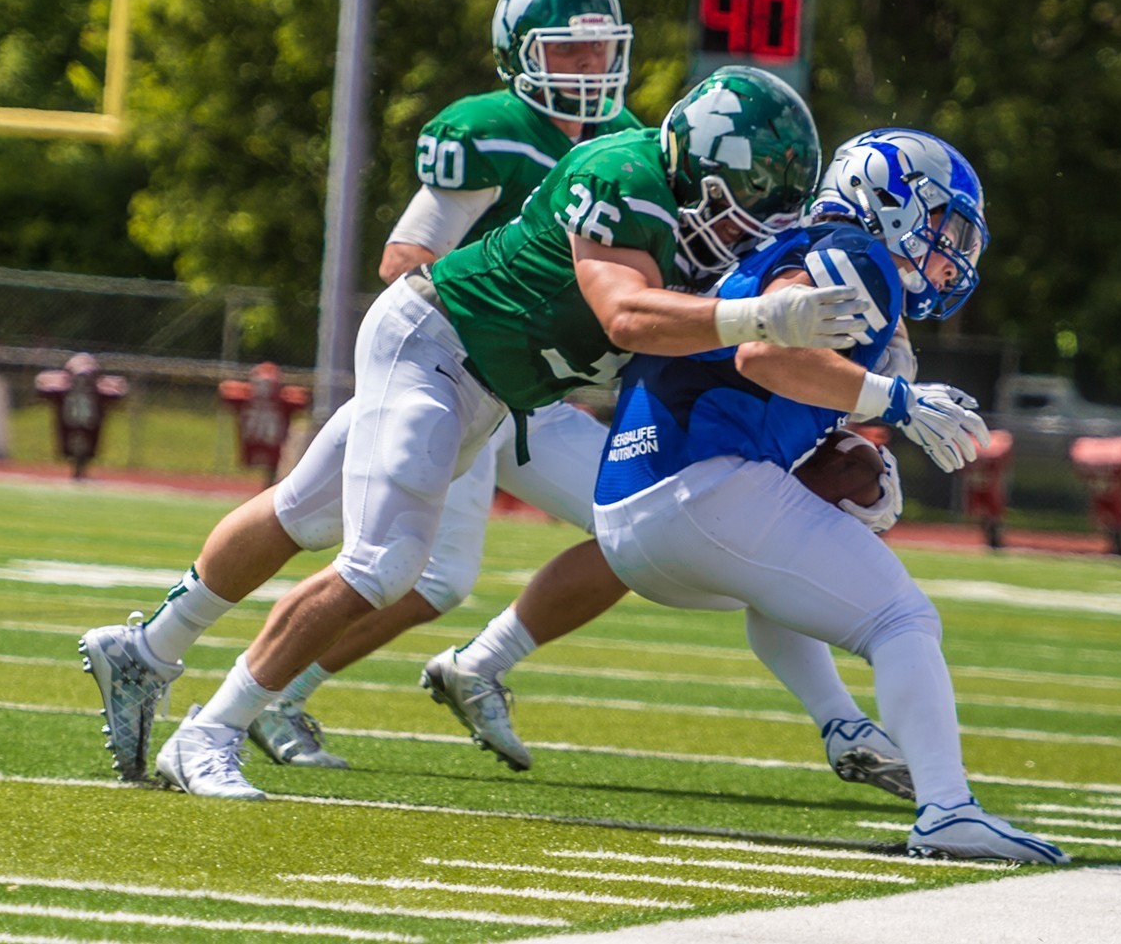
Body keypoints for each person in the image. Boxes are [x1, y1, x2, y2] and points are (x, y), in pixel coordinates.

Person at [79, 63, 870, 798]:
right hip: (435, 340)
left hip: (490, 385)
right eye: (736, 207)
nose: (742, 233)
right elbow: (627, 316)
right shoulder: (619, 175)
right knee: (387, 562)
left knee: (304, 513)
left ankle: (145, 649)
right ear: (693, 172)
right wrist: (757, 315)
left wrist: (858, 411)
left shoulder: (697, 215)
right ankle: (211, 731)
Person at [426, 129, 1066, 862]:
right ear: (888, 201)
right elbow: (767, 353)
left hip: (633, 514)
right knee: (901, 617)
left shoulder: (791, 252)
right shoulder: (853, 254)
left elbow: (760, 381)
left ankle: (842, 723)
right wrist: (897, 401)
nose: (952, 250)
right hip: (699, 486)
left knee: (782, 589)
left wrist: (850, 449)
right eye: (945, 225)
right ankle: (947, 807)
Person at [244, 0, 645, 768]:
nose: (588, 65)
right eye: (567, 49)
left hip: (534, 396)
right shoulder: (489, 130)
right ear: (521, 54)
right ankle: (262, 693)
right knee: (414, 570)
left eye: (598, 47)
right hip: (462, 370)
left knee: (641, 528)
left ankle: (478, 664)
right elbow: (404, 259)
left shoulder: (624, 140)